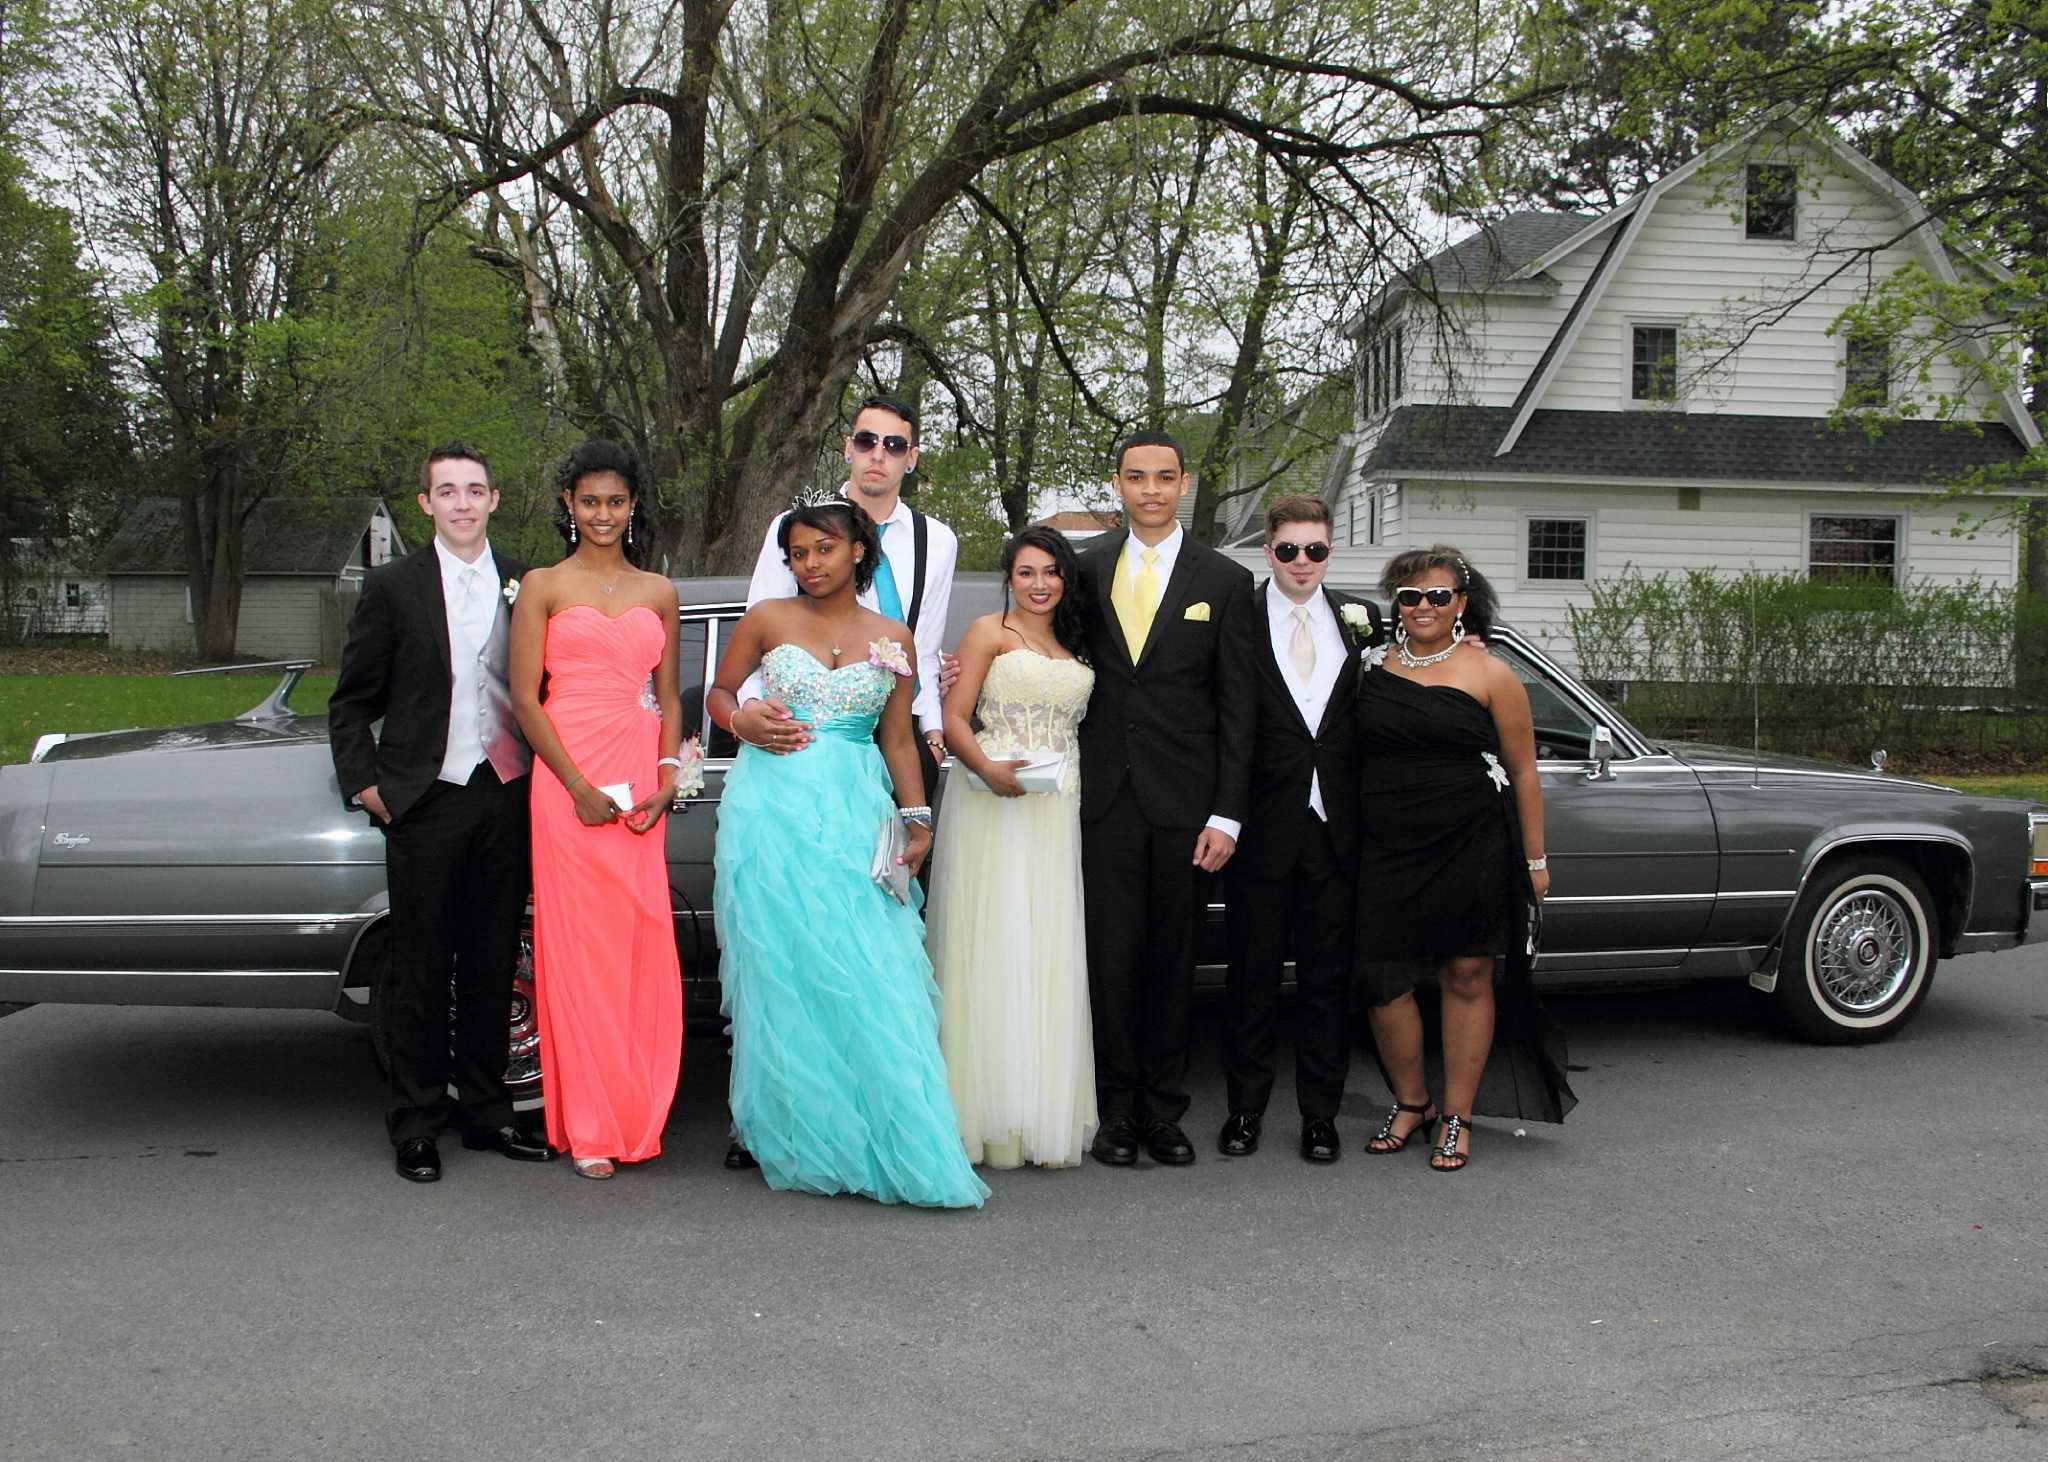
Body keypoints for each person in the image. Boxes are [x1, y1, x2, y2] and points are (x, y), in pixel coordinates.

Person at [707, 498, 988, 1209]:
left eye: (824, 549)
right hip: (772, 812)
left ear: (858, 550)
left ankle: (886, 1130)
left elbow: (898, 737)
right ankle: (794, 1129)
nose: (811, 563)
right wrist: (741, 718)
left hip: (857, 815)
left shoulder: (893, 636)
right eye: (799, 552)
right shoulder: (768, 620)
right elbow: (716, 692)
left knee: (871, 967)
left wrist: (918, 817)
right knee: (784, 967)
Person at [329, 443, 551, 1182]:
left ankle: (487, 1113)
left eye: (474, 490)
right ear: (426, 504)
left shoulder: (528, 581)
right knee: (422, 970)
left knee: (494, 962)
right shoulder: (393, 587)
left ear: (494, 499)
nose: (461, 502)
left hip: (507, 792)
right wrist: (368, 786)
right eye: (446, 491)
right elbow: (352, 702)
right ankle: (417, 1120)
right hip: (424, 798)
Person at [1354, 545, 1575, 1171]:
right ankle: (1411, 1100)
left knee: (1469, 974)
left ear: (1462, 604)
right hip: (1387, 843)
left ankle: (1457, 1115)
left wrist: (1534, 860)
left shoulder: (1492, 673)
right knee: (1382, 979)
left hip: (1471, 839)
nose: (1423, 606)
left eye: (1438, 596)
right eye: (1410, 596)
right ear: (1395, 603)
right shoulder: (1369, 666)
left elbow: (1524, 772)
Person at [1074, 431, 1257, 1167]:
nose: (1150, 489)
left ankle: (1165, 1111)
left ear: (1185, 484)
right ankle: (1116, 1112)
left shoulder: (1225, 579)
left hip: (1188, 805)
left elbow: (1239, 706)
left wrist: (1227, 812)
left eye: (1164, 477)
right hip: (1104, 795)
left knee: (1173, 962)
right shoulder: (1082, 570)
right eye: (1135, 477)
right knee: (1110, 959)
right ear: (1116, 484)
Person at [509, 440, 686, 1180]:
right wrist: (577, 785)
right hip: (565, 779)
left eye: (616, 501)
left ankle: (635, 1112)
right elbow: (525, 697)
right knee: (578, 950)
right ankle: (586, 1124)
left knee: (639, 944)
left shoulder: (659, 592)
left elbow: (671, 696)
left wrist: (669, 775)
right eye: (590, 502)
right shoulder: (543, 585)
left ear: (633, 506)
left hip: (640, 776)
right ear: (568, 505)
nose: (603, 514)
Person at [1218, 496, 1383, 1165]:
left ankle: (1321, 1115)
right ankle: (1244, 1111)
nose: (1302, 563)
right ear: (1269, 553)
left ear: (1329, 552)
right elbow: (1229, 721)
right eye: (1289, 550)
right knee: (1252, 977)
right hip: (1261, 825)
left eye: (1314, 550)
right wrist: (1224, 814)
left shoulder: (1361, 621)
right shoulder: (1241, 616)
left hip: (1338, 830)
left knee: (1327, 982)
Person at [926, 526, 1097, 1169]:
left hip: (1058, 807)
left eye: (1051, 572)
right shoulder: (988, 633)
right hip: (993, 801)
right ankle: (984, 1113)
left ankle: (1038, 1109)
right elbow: (955, 718)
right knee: (994, 944)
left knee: (1046, 948)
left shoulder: (1074, 642)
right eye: (1026, 572)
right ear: (1008, 576)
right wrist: (989, 771)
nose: (1039, 584)